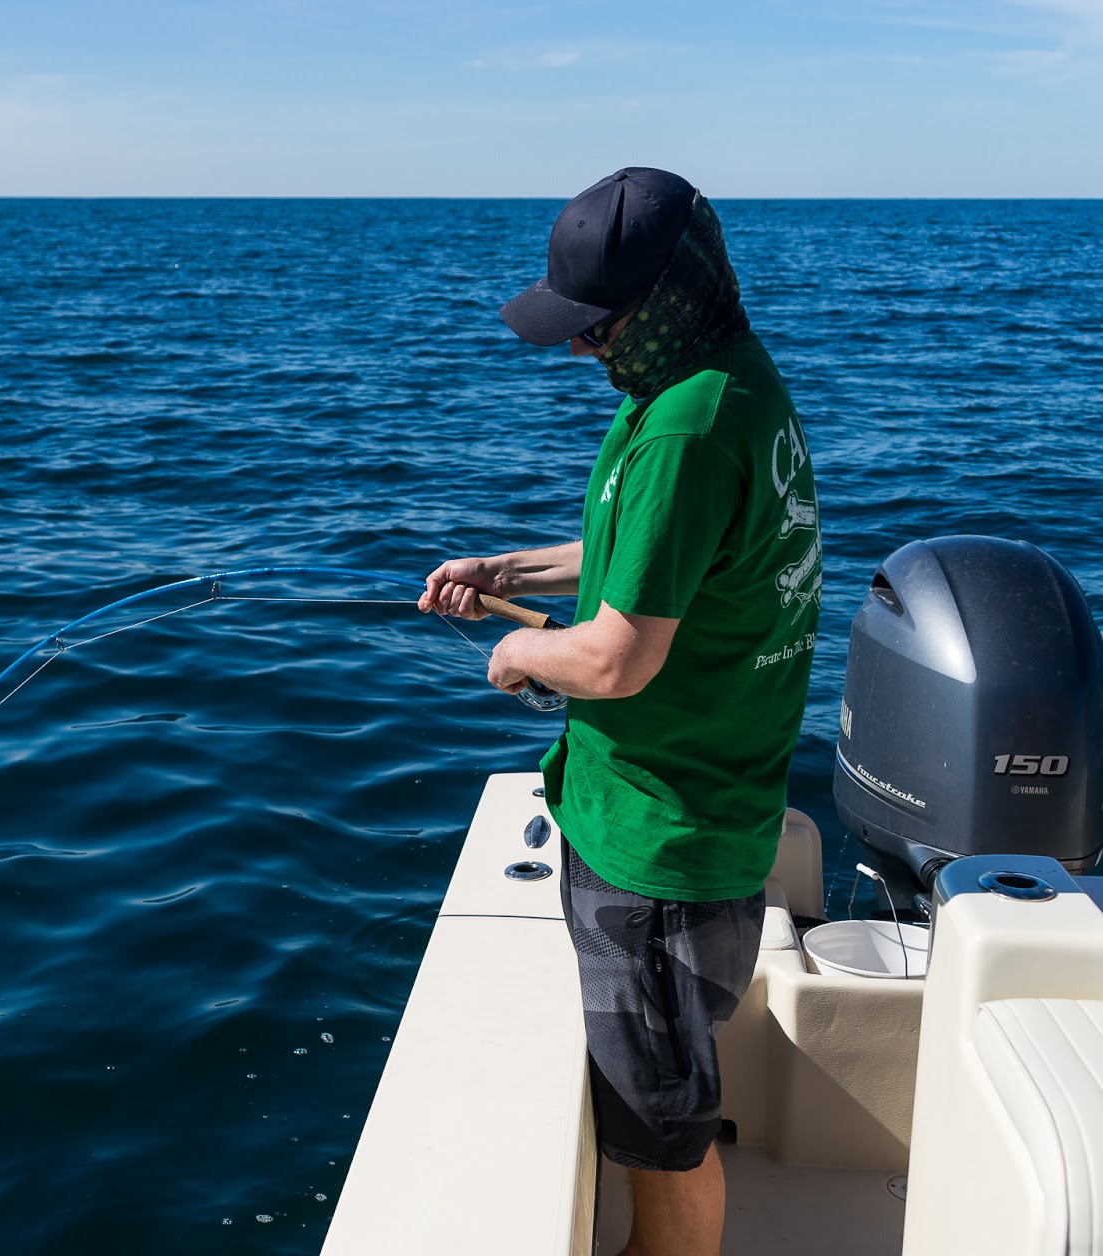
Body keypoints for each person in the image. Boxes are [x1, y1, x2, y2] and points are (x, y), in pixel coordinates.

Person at [419, 168, 820, 1256]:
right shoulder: (732, 382)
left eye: (597, 327)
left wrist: (516, 651)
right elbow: (645, 567)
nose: (578, 349)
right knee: (669, 1093)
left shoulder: (684, 430)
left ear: (669, 299)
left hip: (658, 846)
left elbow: (618, 653)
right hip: (709, 807)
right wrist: (505, 566)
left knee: (661, 1129)